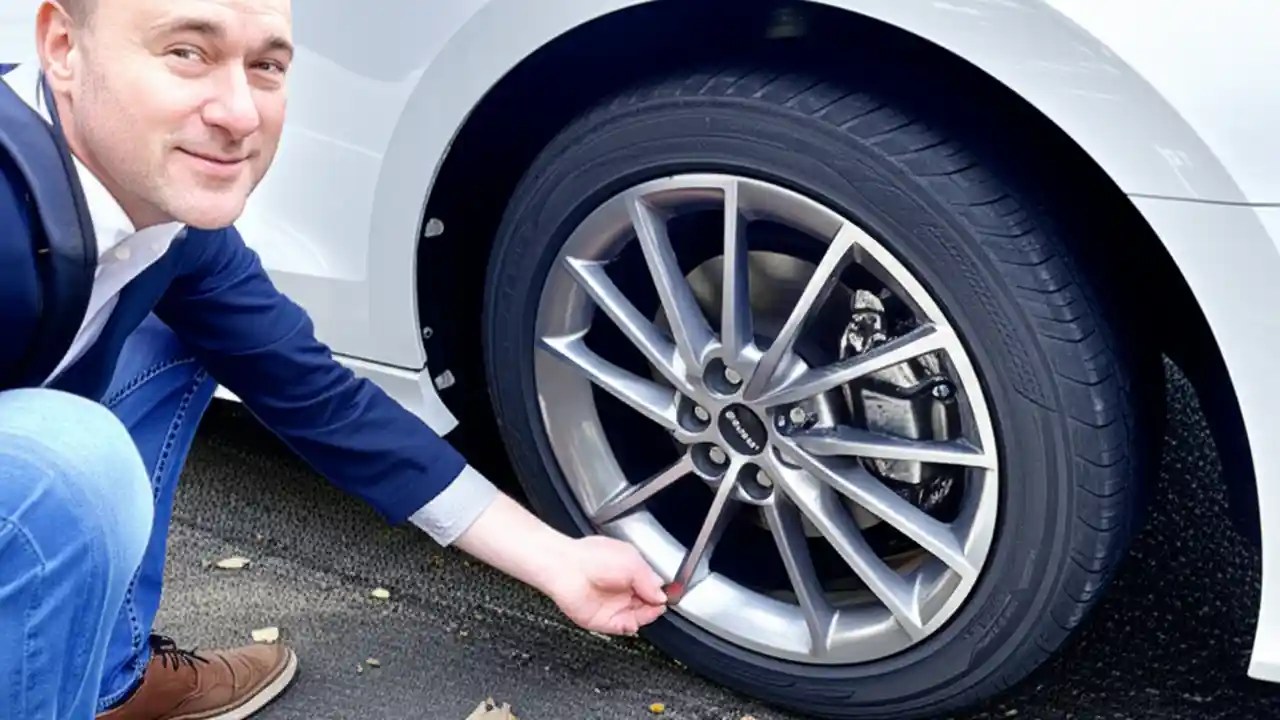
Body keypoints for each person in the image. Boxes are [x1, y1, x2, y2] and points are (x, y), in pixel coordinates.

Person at [0, 1, 669, 718]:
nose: (238, 114)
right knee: (76, 463)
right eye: (186, 53)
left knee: (172, 341)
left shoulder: (176, 232)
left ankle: (102, 676)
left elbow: (315, 393)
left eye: (265, 66)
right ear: (63, 46)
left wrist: (558, 561)